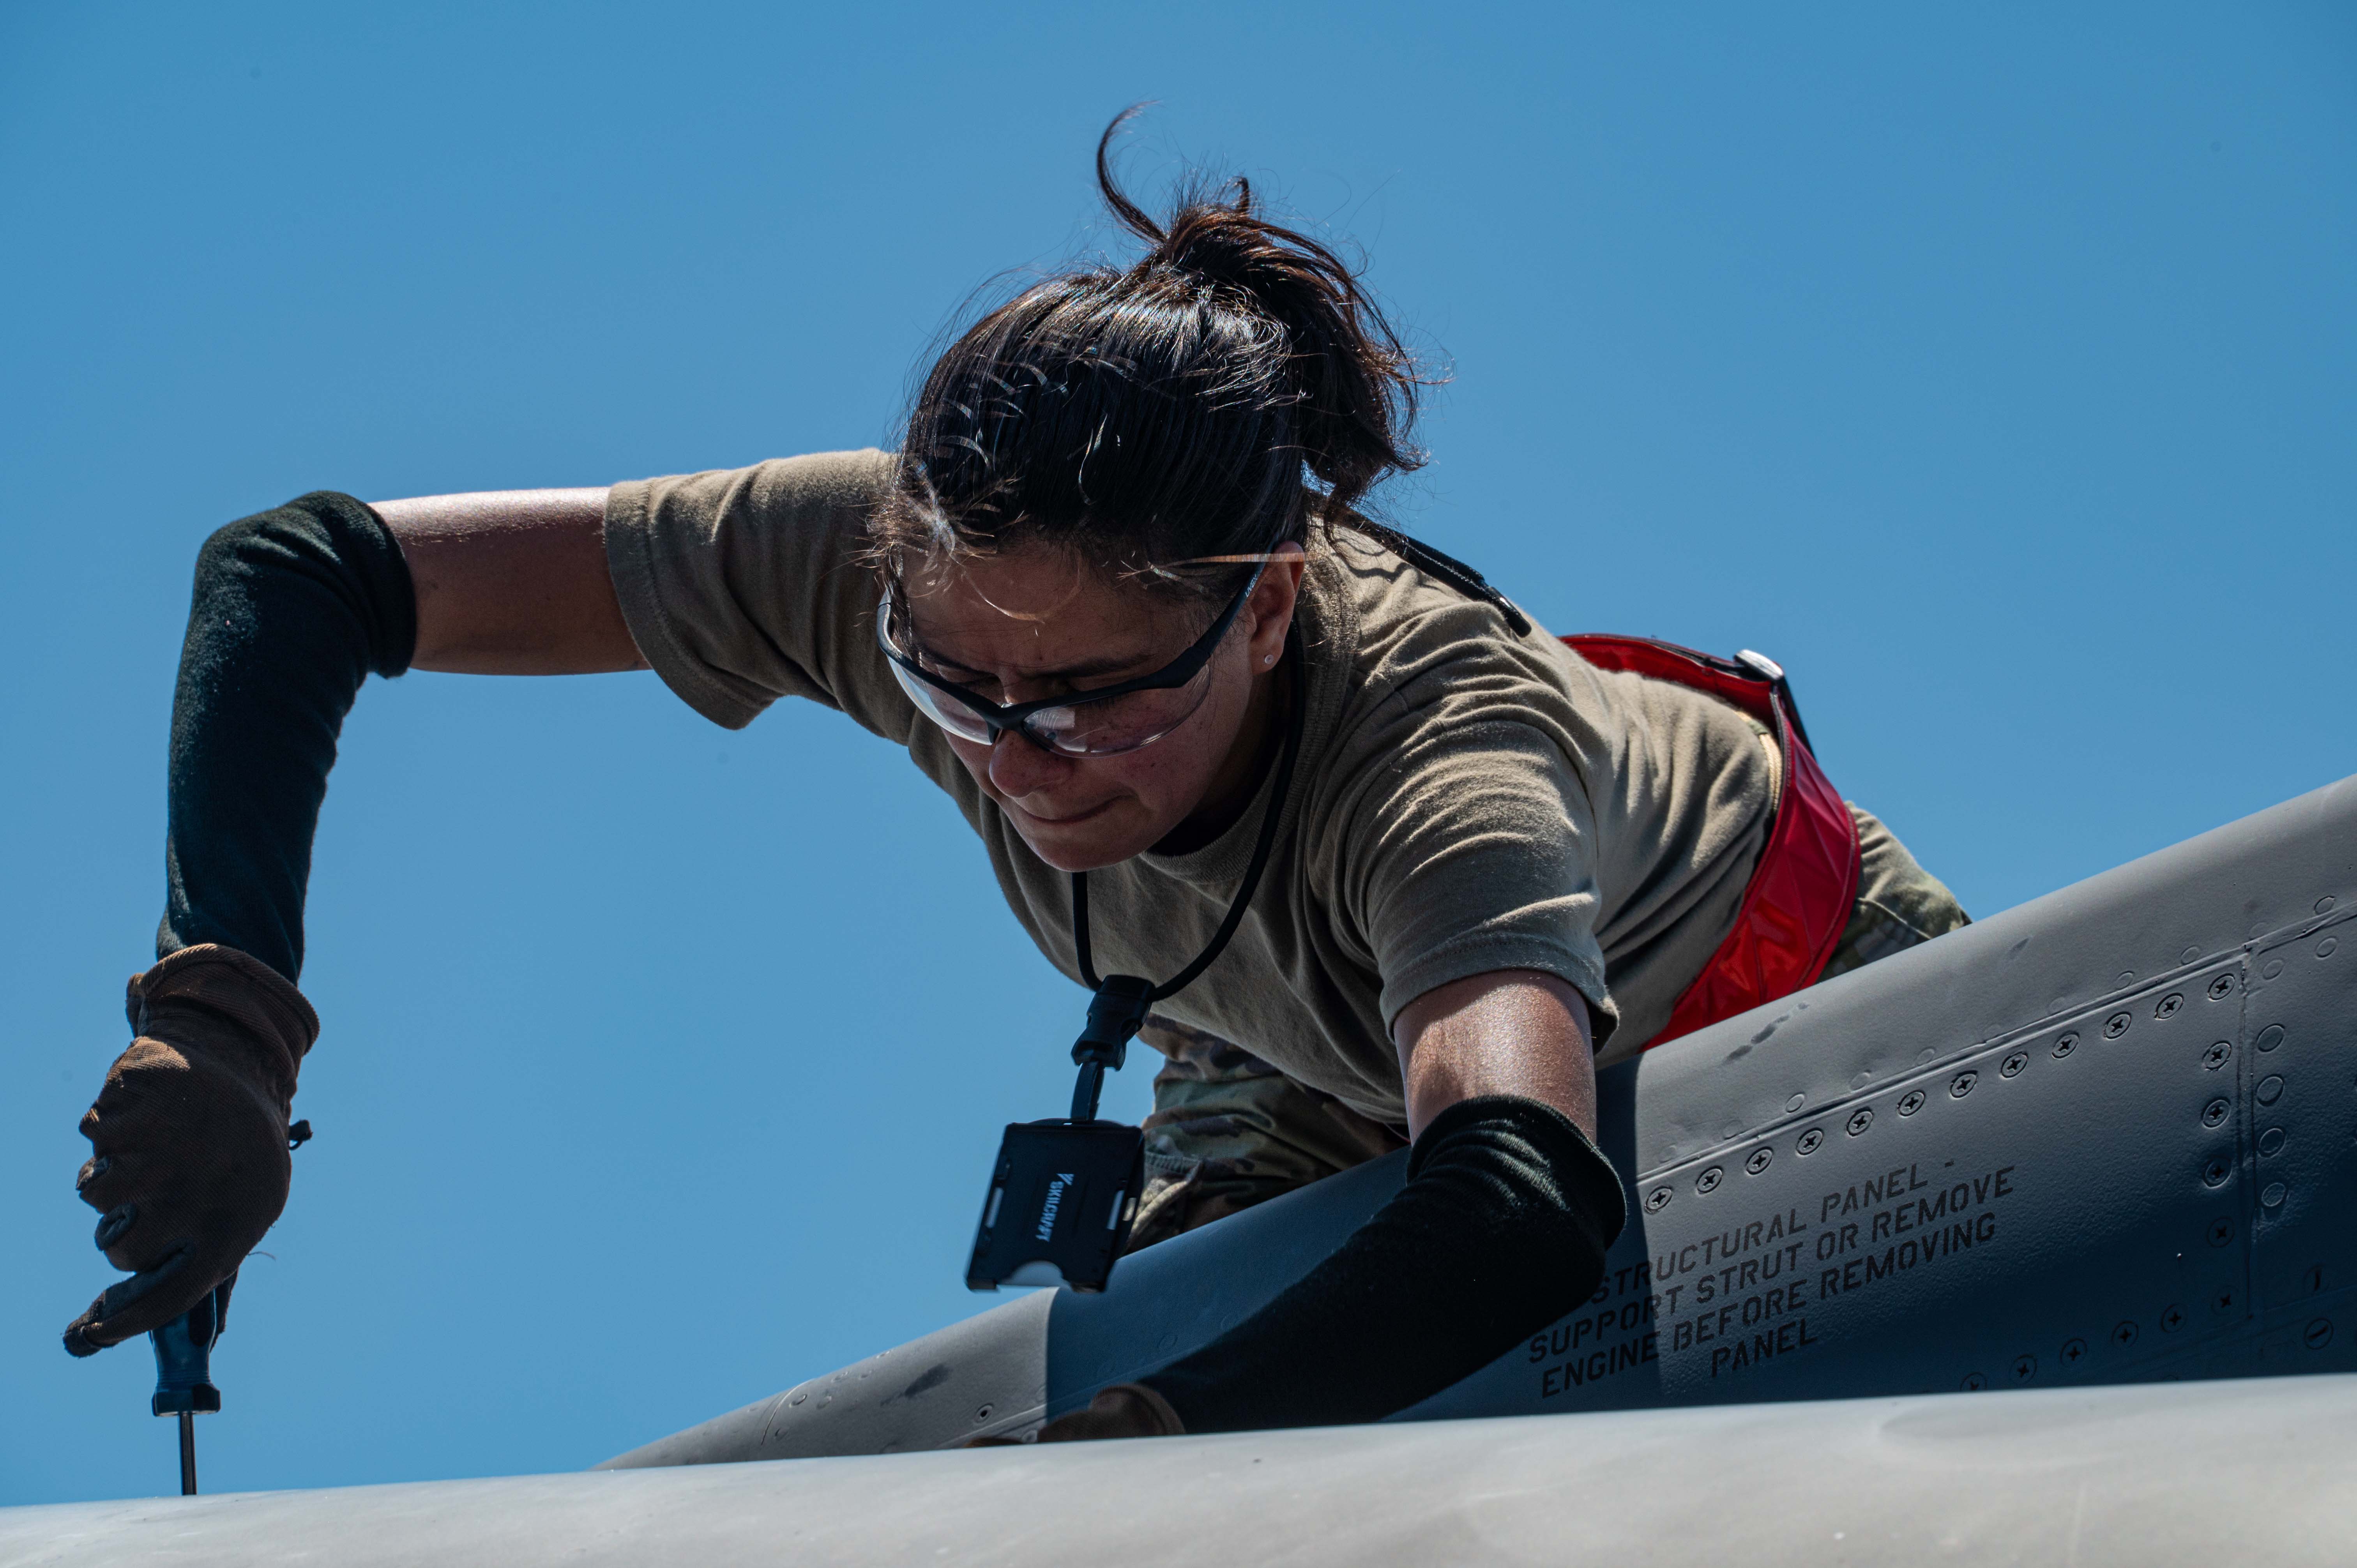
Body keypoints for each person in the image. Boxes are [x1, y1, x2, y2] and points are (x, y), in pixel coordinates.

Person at [63, 117, 1967, 1441]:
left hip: (1745, 983)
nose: (1017, 759)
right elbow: (302, 573)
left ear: (1269, 606)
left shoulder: (1444, 763)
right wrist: (227, 1018)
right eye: (948, 687)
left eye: (1090, 702)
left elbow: (1524, 1187)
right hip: (1286, 1043)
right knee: (1208, 1365)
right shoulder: (879, 559)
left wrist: (1151, 1454)